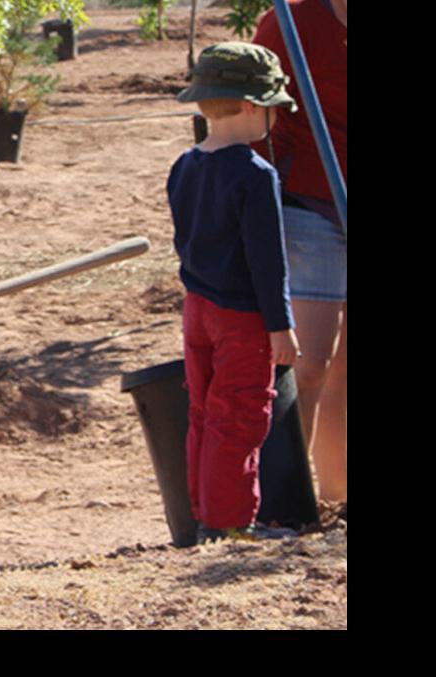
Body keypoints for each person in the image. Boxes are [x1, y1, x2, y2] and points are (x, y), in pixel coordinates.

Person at [170, 43, 302, 543]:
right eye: (271, 105)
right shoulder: (255, 174)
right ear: (250, 104)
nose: (273, 117)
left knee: (203, 413)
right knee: (241, 416)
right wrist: (280, 324)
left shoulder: (185, 165)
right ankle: (233, 523)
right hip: (242, 317)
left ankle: (206, 516)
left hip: (197, 309)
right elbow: (268, 261)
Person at [251, 0, 347, 503]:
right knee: (309, 363)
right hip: (310, 199)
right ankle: (286, 504)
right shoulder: (291, 20)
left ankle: (337, 500)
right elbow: (250, 104)